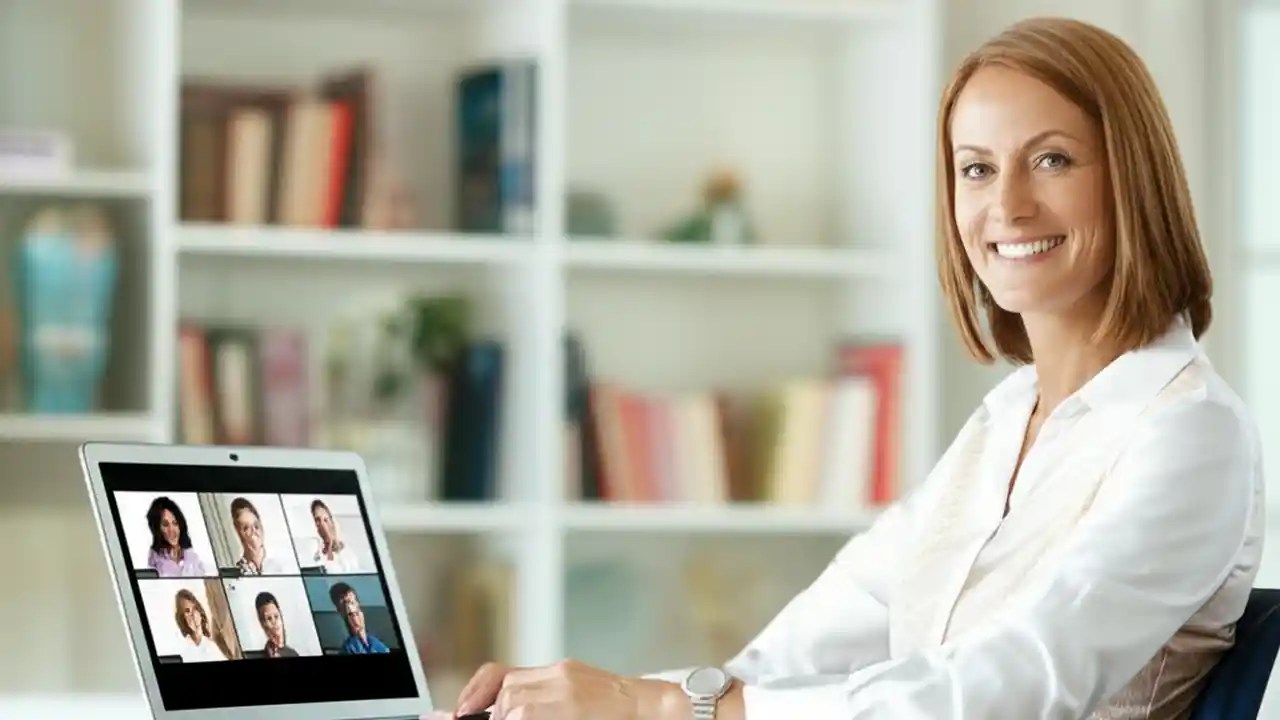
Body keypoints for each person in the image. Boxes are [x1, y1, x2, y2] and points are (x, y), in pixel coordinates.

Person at [442, 17, 1265, 720]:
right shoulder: (1007, 420)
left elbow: (1007, 690)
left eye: (1052, 160)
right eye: (976, 168)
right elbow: (789, 658)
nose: (1006, 205)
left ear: (1133, 178)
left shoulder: (1189, 431)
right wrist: (570, 695)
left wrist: (655, 706)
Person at [145, 496, 210, 578]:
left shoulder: (193, 558)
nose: (172, 530)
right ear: (157, 528)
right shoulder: (155, 561)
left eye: (175, 523)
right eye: (165, 525)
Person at [229, 497, 290, 576]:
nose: (254, 531)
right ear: (238, 532)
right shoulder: (237, 573)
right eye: (246, 528)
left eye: (256, 526)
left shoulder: (281, 564)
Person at [329, 582, 389, 655]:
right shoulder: (349, 649)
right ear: (340, 612)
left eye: (353, 603)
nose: (355, 619)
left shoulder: (375, 642)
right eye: (350, 615)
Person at [174, 589, 229, 663]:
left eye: (194, 609)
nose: (193, 615)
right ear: (182, 618)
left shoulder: (211, 646)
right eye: (187, 611)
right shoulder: (183, 648)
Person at [308, 499, 359, 574]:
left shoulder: (348, 553)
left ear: (332, 521)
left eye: (325, 520)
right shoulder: (317, 557)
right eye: (318, 521)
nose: (323, 525)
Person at [254, 591, 299, 658]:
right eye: (269, 618)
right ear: (262, 624)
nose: (274, 622)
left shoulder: (293, 654)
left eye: (276, 616)